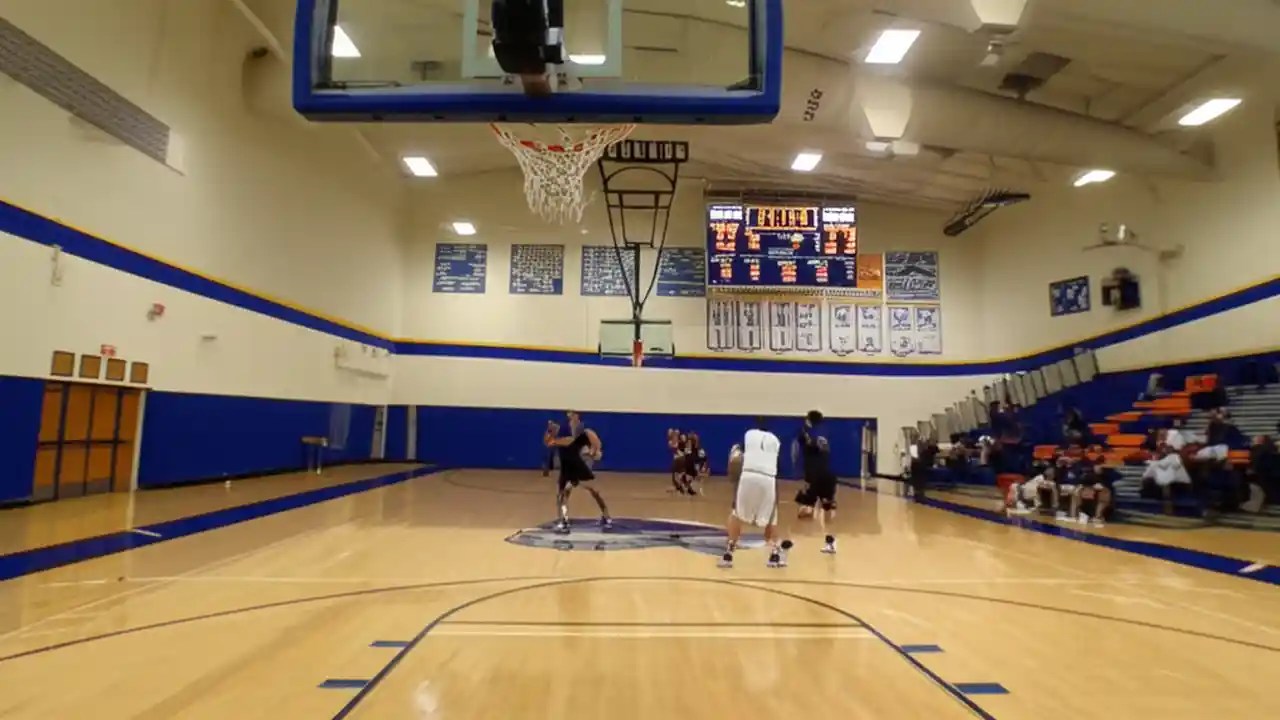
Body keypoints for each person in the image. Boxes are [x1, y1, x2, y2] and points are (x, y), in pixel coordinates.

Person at [720, 419, 790, 569]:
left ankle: (728, 555)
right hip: (768, 478)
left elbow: (736, 455)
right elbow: (781, 467)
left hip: (748, 476)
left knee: (736, 513)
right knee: (771, 517)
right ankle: (774, 554)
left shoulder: (748, 435)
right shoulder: (776, 441)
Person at [545, 411, 611, 534]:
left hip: (577, 466)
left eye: (573, 415)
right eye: (569, 415)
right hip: (566, 467)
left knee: (594, 492)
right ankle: (564, 520)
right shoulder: (560, 431)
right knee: (562, 495)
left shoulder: (583, 432)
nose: (570, 417)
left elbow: (589, 441)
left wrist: (594, 451)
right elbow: (548, 442)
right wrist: (550, 432)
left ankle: (606, 516)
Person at [795, 410, 839, 554]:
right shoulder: (828, 432)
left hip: (814, 475)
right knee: (828, 507)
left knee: (804, 512)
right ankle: (830, 542)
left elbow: (804, 446)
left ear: (809, 419)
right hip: (830, 474)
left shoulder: (806, 431)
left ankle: (802, 543)